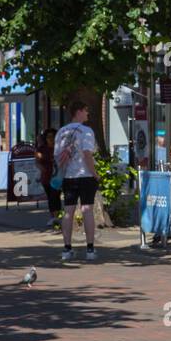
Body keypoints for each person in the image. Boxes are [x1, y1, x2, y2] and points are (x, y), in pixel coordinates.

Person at [53, 101, 100, 263]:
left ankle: (67, 248)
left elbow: (58, 158)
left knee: (68, 211)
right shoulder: (86, 131)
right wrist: (95, 174)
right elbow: (87, 154)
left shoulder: (61, 132)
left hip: (69, 176)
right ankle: (90, 249)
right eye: (86, 110)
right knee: (87, 209)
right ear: (79, 111)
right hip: (85, 175)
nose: (88, 114)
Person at [35, 128, 62, 226]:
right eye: (48, 137)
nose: (51, 139)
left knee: (56, 196)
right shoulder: (42, 149)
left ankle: (57, 216)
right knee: (51, 197)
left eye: (53, 137)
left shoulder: (60, 148)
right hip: (46, 177)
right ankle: (53, 217)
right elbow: (37, 161)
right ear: (45, 138)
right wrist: (41, 168)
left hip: (58, 176)